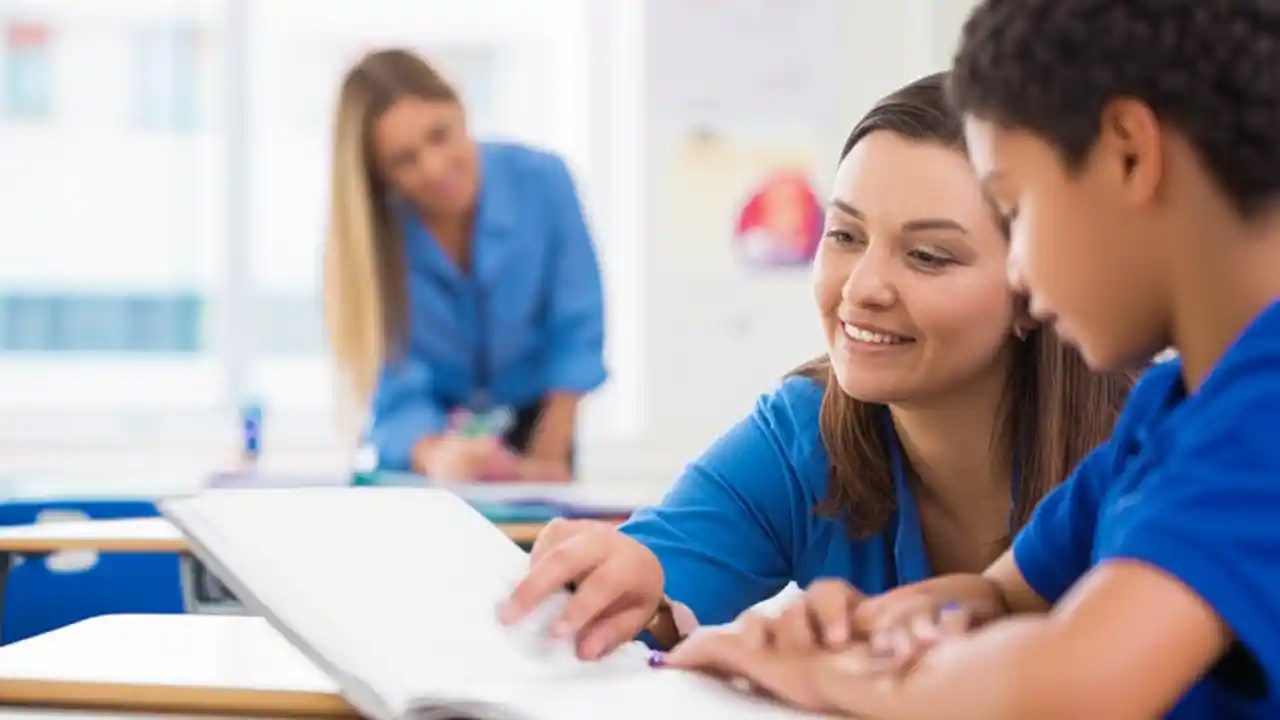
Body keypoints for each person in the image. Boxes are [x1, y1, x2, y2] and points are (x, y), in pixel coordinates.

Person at [666, 2, 1280, 718]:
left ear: (1129, 155)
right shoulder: (1170, 413)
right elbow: (1003, 595)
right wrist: (880, 629)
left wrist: (828, 681)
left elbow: (1078, 687)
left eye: (1014, 210)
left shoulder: (1263, 411)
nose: (1017, 271)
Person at [499, 72, 1132, 661]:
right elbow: (653, 596)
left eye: (929, 256)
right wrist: (627, 589)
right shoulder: (803, 435)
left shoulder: (1152, 450)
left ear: (1038, 285)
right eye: (845, 235)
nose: (861, 288)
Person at [323, 49, 607, 480]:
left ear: (460, 109)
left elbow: (576, 329)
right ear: (381, 177)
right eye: (404, 160)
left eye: (440, 135)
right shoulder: (372, 244)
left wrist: (546, 463)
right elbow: (395, 390)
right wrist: (436, 456)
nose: (434, 168)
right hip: (431, 449)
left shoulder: (544, 182)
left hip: (542, 423)